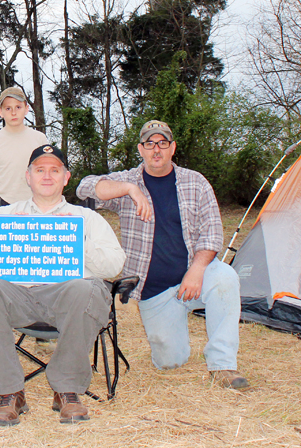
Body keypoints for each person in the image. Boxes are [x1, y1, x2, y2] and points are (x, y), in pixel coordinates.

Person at [76, 120, 249, 389]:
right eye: (149, 143)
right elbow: (84, 188)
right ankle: (176, 336)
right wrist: (131, 190)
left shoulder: (196, 182)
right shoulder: (128, 182)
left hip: (196, 277)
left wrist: (197, 269)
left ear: (172, 148)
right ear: (141, 149)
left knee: (226, 277)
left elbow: (213, 234)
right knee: (170, 362)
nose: (156, 149)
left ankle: (223, 364)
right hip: (154, 291)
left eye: (162, 143)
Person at [0, 145, 125, 425]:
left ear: (66, 177)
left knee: (88, 290)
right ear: (28, 176)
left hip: (67, 297)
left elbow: (115, 264)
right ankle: (9, 392)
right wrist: (10, 239)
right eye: (40, 170)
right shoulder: (7, 215)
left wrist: (75, 243)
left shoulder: (86, 218)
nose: (47, 176)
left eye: (55, 170)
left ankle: (67, 390)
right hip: (17, 296)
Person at [0, 87, 49, 237]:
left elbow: (48, 177)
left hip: (34, 206)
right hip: (2, 206)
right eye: (8, 108)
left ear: (26, 109)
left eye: (18, 107)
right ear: (1, 112)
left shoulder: (40, 139)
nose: (13, 112)